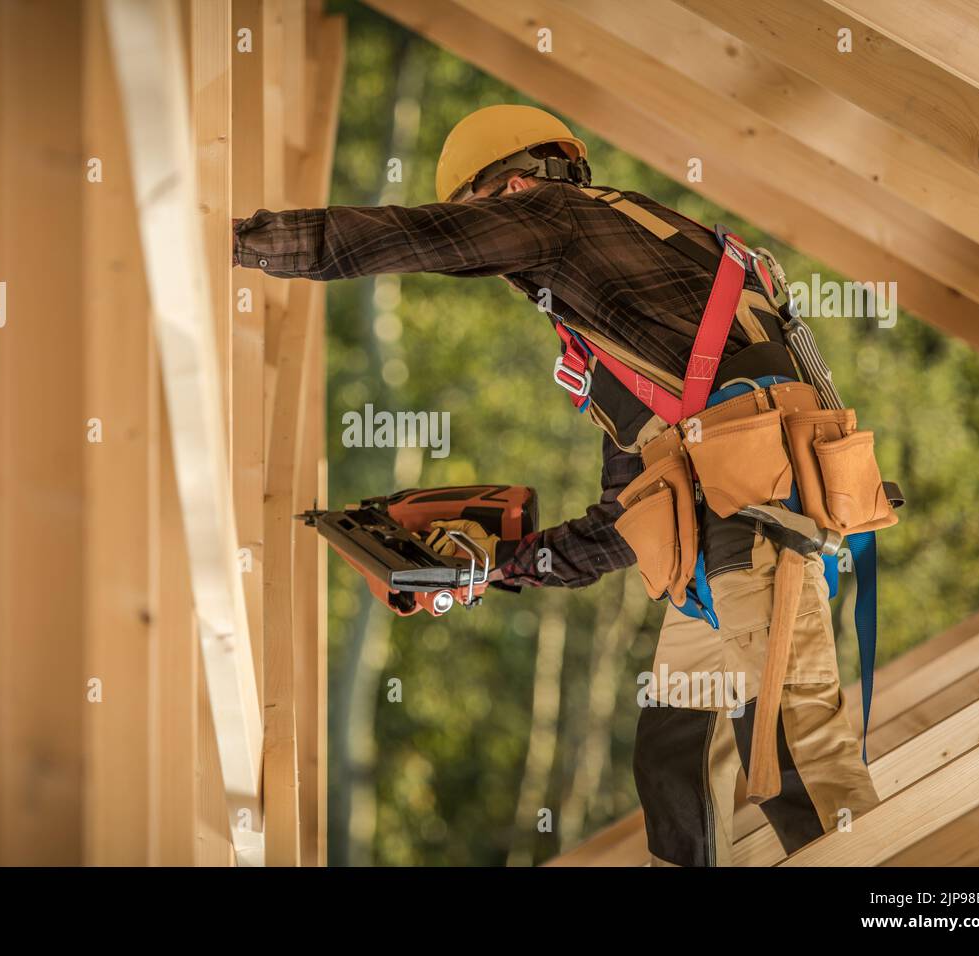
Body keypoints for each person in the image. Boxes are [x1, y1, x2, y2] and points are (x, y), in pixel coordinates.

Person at [233, 104, 879, 866]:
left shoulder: (560, 217)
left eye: (476, 222)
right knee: (675, 753)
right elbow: (620, 520)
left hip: (755, 528)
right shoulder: (628, 315)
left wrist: (243, 242)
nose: (492, 263)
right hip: (721, 546)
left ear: (510, 187)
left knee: (794, 748)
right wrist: (496, 567)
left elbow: (415, 238)